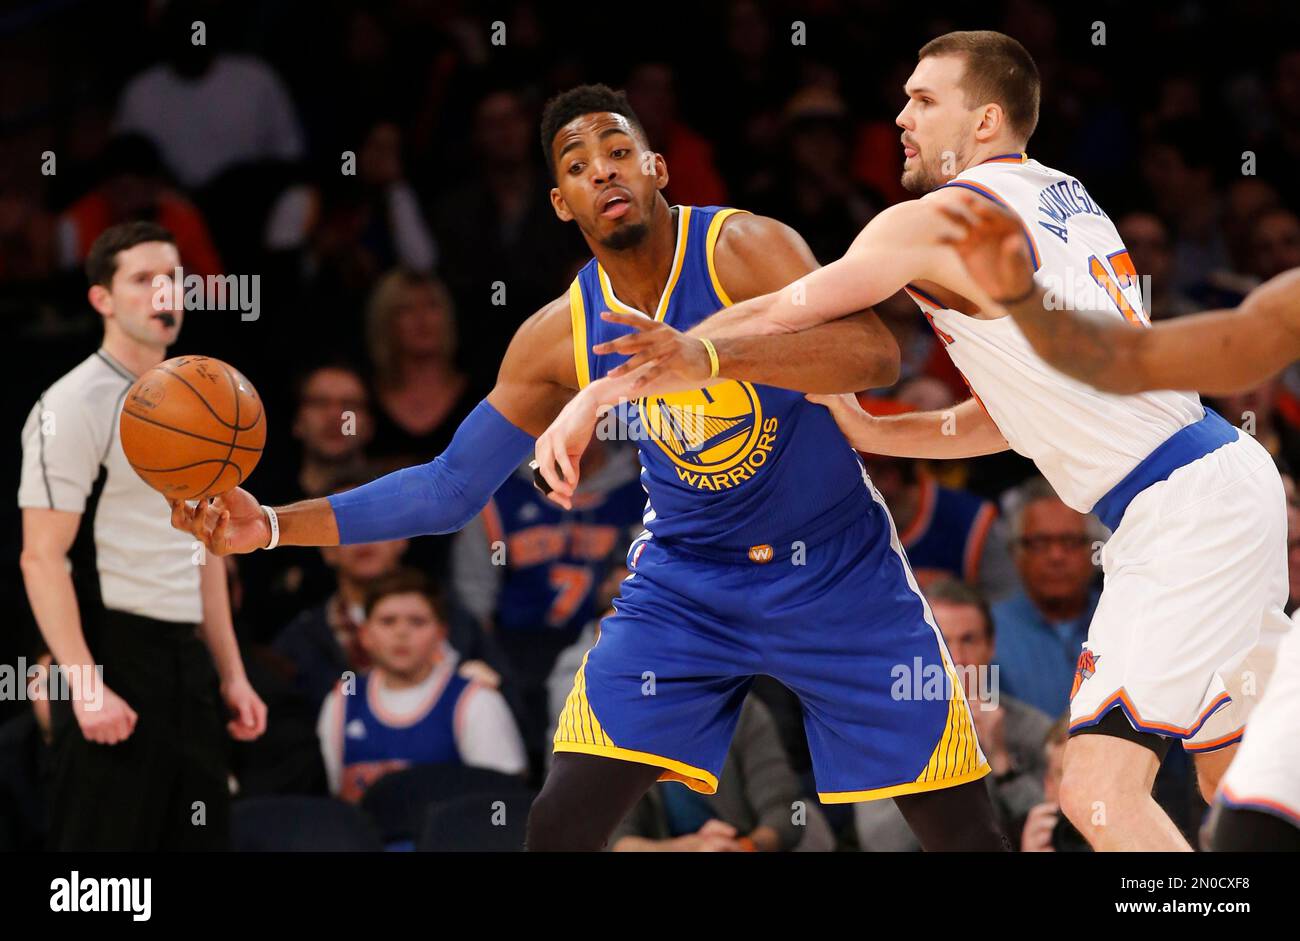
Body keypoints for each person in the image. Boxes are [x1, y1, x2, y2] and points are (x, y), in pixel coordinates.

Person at [171, 84, 1007, 852]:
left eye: (617, 150)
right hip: (688, 586)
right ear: (560, 203)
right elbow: (449, 487)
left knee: (961, 829)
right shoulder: (558, 334)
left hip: (835, 569)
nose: (601, 170)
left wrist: (706, 356)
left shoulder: (742, 246)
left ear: (658, 168)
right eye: (577, 166)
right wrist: (275, 524)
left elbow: (873, 355)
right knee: (560, 822)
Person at [581, 32, 1286, 852]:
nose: (899, 116)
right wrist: (885, 429)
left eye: (924, 100)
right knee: (1232, 776)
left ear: (984, 121)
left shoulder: (937, 220)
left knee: (1097, 796)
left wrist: (680, 354)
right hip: (1226, 479)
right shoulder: (1063, 193)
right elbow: (1016, 412)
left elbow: (789, 308)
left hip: (1180, 512)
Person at [933, 178, 1300, 852]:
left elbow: (1128, 357)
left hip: (1204, 489)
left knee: (1113, 790)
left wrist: (1020, 295)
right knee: (1240, 793)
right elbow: (1134, 357)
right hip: (1215, 476)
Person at [18, 221, 266, 850]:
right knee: (103, 884)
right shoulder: (70, 404)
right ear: (102, 298)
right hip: (112, 650)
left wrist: (231, 672)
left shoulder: (202, 396)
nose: (165, 294)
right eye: (143, 279)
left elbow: (206, 550)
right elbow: (40, 558)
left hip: (186, 659)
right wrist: (85, 683)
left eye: (175, 279)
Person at [856, 578, 1051, 850]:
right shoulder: (884, 732)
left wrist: (1002, 763)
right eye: (942, 641)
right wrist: (947, 750)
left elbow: (1057, 834)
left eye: (969, 640)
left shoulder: (1032, 729)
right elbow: (882, 841)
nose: (957, 658)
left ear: (991, 646)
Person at [317, 569, 525, 802]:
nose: (401, 632)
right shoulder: (341, 702)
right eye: (388, 621)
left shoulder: (476, 700)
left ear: (441, 633)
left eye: (417, 621)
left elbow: (503, 798)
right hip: (361, 838)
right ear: (365, 635)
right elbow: (332, 803)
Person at [991, 477, 1102, 718]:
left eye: (1070, 542)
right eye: (1040, 543)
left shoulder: (1124, 621)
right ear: (1016, 553)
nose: (1056, 556)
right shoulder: (985, 630)